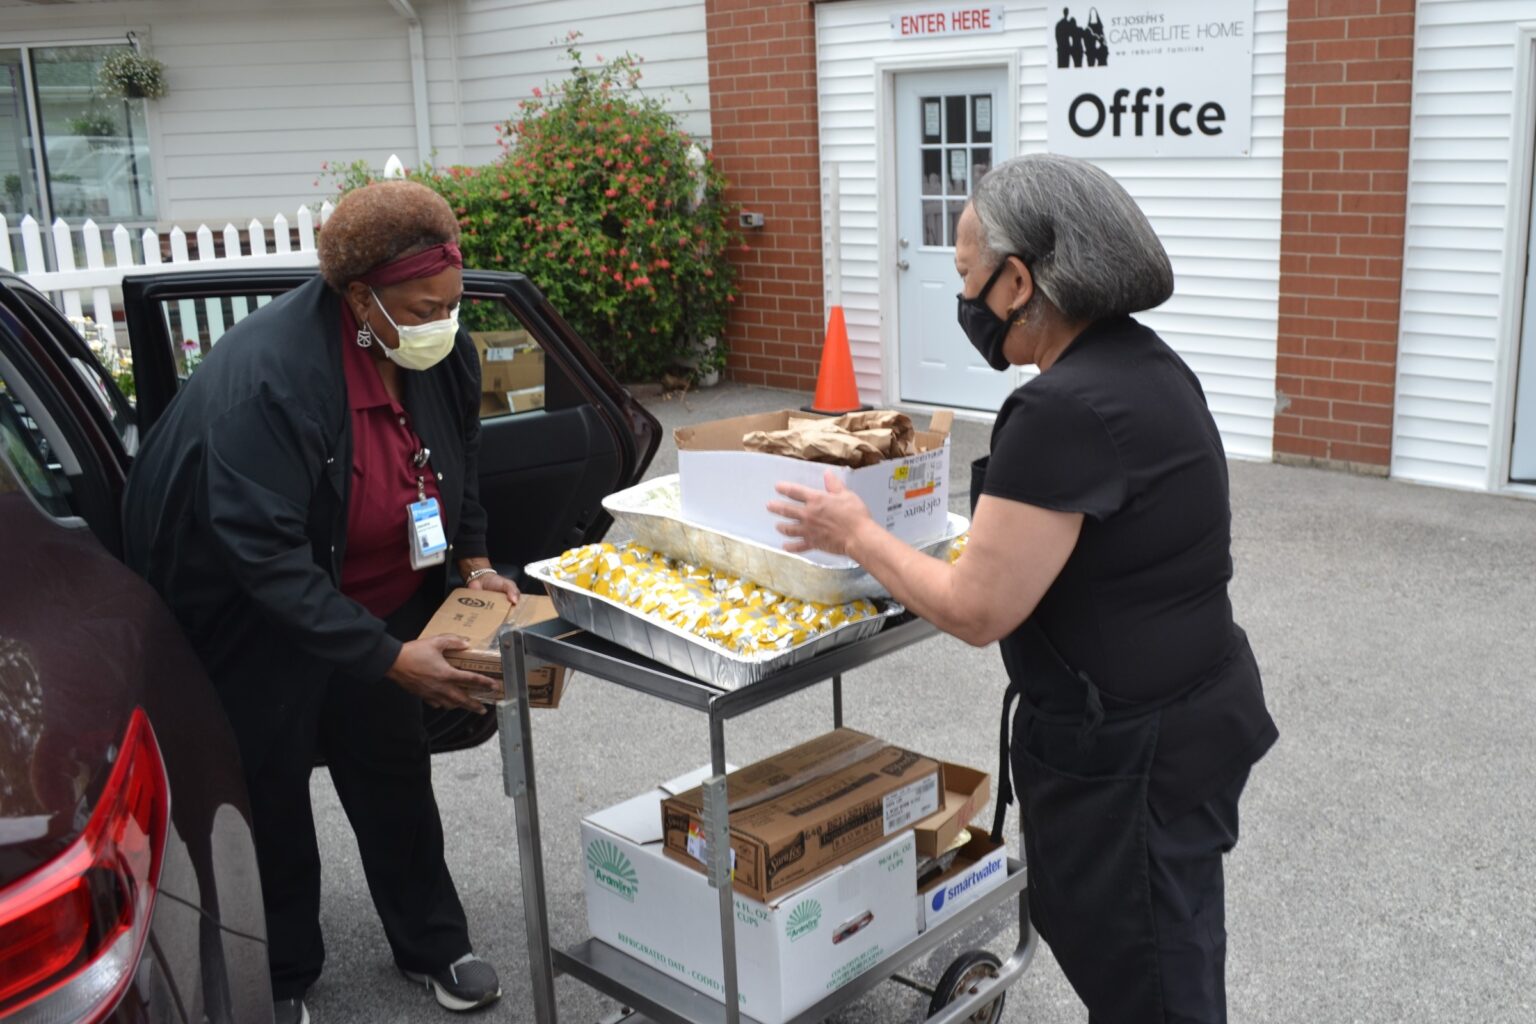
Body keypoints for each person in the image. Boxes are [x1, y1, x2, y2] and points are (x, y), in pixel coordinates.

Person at [769, 154, 1277, 1024]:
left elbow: (977, 609)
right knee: (1171, 954)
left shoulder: (1061, 411)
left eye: (968, 274)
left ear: (1018, 280)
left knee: (1154, 985)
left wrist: (855, 534)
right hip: (1192, 715)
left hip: (1131, 759)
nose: (962, 296)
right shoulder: (1146, 365)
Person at [122, 180, 515, 1023]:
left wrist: (475, 561)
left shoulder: (441, 353)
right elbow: (265, 557)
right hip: (260, 614)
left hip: (382, 598)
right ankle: (284, 973)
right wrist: (390, 658)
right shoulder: (269, 379)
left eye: (454, 303)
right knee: (271, 791)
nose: (445, 322)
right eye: (426, 308)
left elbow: (462, 464)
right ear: (361, 298)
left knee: (394, 772)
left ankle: (434, 942)